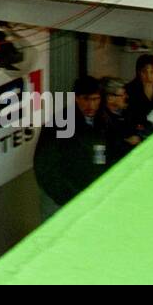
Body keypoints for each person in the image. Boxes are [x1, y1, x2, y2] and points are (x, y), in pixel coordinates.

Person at [33, 76, 109, 218]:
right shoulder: (59, 125)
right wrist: (69, 197)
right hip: (59, 200)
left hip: (88, 197)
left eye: (95, 99)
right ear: (76, 98)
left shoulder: (102, 122)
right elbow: (46, 168)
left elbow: (101, 156)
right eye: (86, 99)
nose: (91, 105)